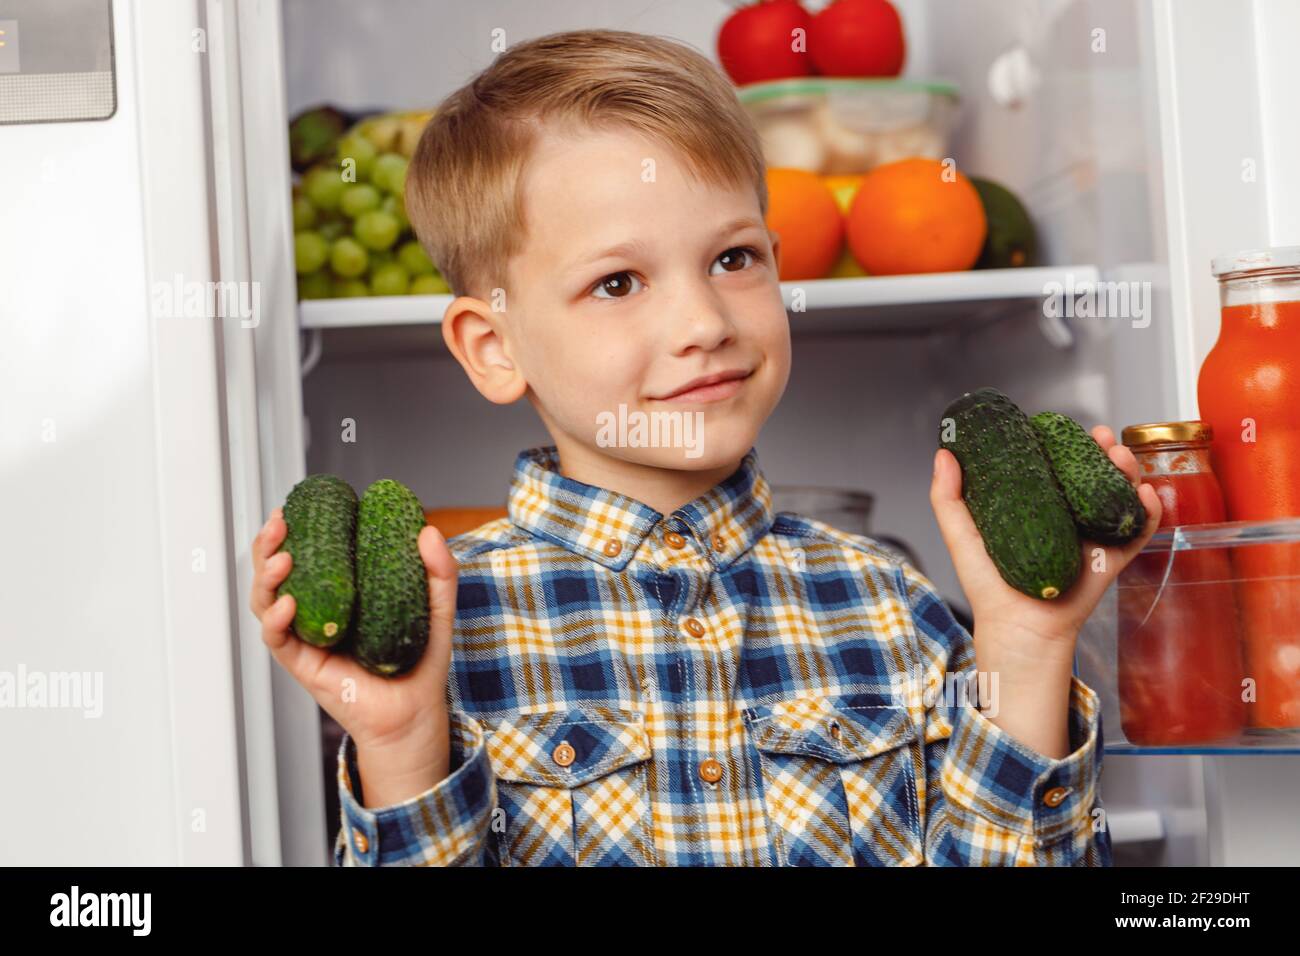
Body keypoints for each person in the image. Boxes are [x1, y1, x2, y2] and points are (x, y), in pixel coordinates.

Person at [250, 29, 1161, 866]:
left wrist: (1029, 642)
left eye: (733, 259)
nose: (703, 321)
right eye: (617, 282)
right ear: (495, 348)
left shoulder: (897, 607)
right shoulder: (445, 636)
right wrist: (402, 744)